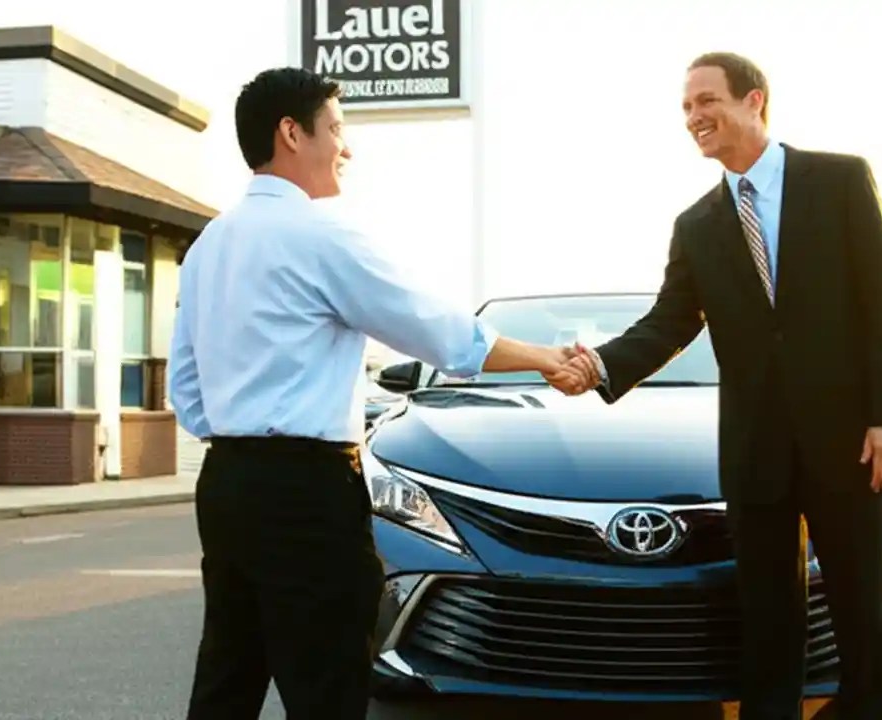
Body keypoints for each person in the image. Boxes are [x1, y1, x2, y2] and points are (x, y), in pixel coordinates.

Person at [168, 67, 588, 720]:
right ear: (290, 133)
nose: (346, 146)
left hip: (226, 483)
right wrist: (543, 359)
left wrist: (242, 432)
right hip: (306, 491)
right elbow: (436, 329)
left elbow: (186, 391)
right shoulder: (319, 234)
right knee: (327, 682)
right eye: (336, 128)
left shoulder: (208, 246)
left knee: (228, 673)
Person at [554, 52, 882, 719]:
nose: (694, 117)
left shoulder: (839, 181)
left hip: (851, 442)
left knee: (864, 610)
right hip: (755, 450)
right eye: (686, 108)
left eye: (706, 101)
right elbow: (668, 324)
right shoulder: (695, 226)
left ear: (754, 101)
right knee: (766, 617)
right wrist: (599, 368)